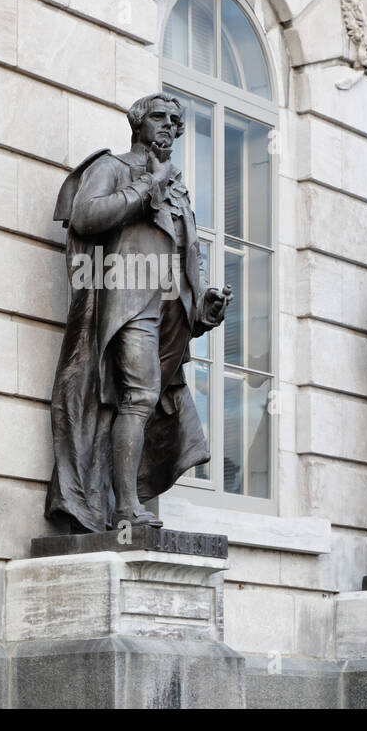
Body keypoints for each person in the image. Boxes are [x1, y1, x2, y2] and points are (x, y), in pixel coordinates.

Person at [46, 93, 231, 532]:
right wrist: (147, 185)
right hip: (127, 298)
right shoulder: (113, 167)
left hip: (171, 309)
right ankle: (126, 508)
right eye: (159, 117)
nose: (169, 125)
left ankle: (127, 501)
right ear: (138, 123)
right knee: (139, 397)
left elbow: (190, 251)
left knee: (147, 401)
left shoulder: (179, 186)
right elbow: (86, 217)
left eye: (175, 119)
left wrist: (205, 300)